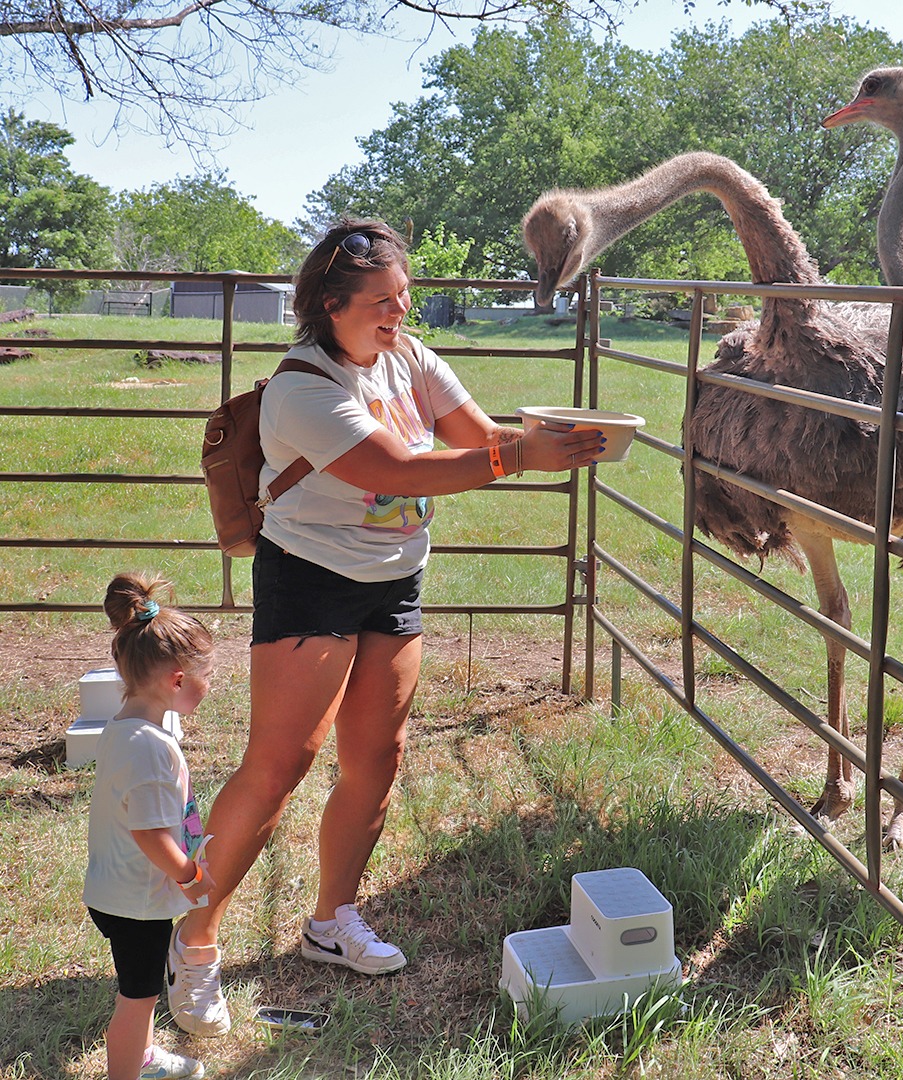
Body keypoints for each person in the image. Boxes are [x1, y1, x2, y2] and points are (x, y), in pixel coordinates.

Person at [167, 218, 604, 1036]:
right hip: (311, 581)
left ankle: (333, 920)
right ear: (330, 305)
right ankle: (192, 942)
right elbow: (395, 470)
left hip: (395, 580)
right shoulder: (302, 389)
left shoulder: (408, 358)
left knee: (378, 755)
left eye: (405, 296)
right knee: (278, 766)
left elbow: (474, 438)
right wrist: (520, 456)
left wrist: (549, 439)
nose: (399, 313)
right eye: (381, 301)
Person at [84, 573, 217, 1080]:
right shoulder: (150, 747)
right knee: (136, 999)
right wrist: (191, 876)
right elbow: (151, 835)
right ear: (178, 679)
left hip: (118, 893)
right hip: (135, 903)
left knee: (143, 989)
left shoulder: (125, 728)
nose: (210, 686)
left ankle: (141, 1058)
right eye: (208, 676)